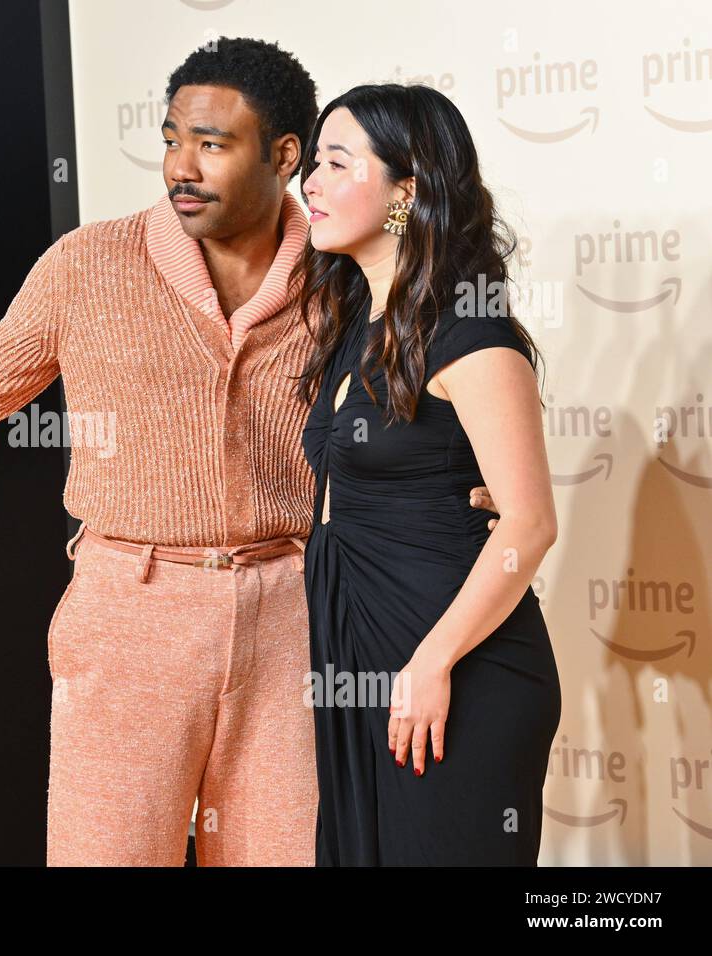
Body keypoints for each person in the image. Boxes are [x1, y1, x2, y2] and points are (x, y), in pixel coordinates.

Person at [0, 39, 497, 866]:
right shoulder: (87, 266)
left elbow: (436, 375)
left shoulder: (342, 274)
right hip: (130, 613)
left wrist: (482, 482)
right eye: (172, 138)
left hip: (297, 614)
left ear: (285, 156)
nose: (182, 164)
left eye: (212, 144)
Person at [296, 83, 562, 865]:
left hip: (454, 671)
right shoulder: (352, 332)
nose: (309, 181)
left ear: (407, 192)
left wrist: (431, 663)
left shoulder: (471, 335)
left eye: (336, 163)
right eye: (310, 162)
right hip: (364, 667)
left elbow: (530, 522)